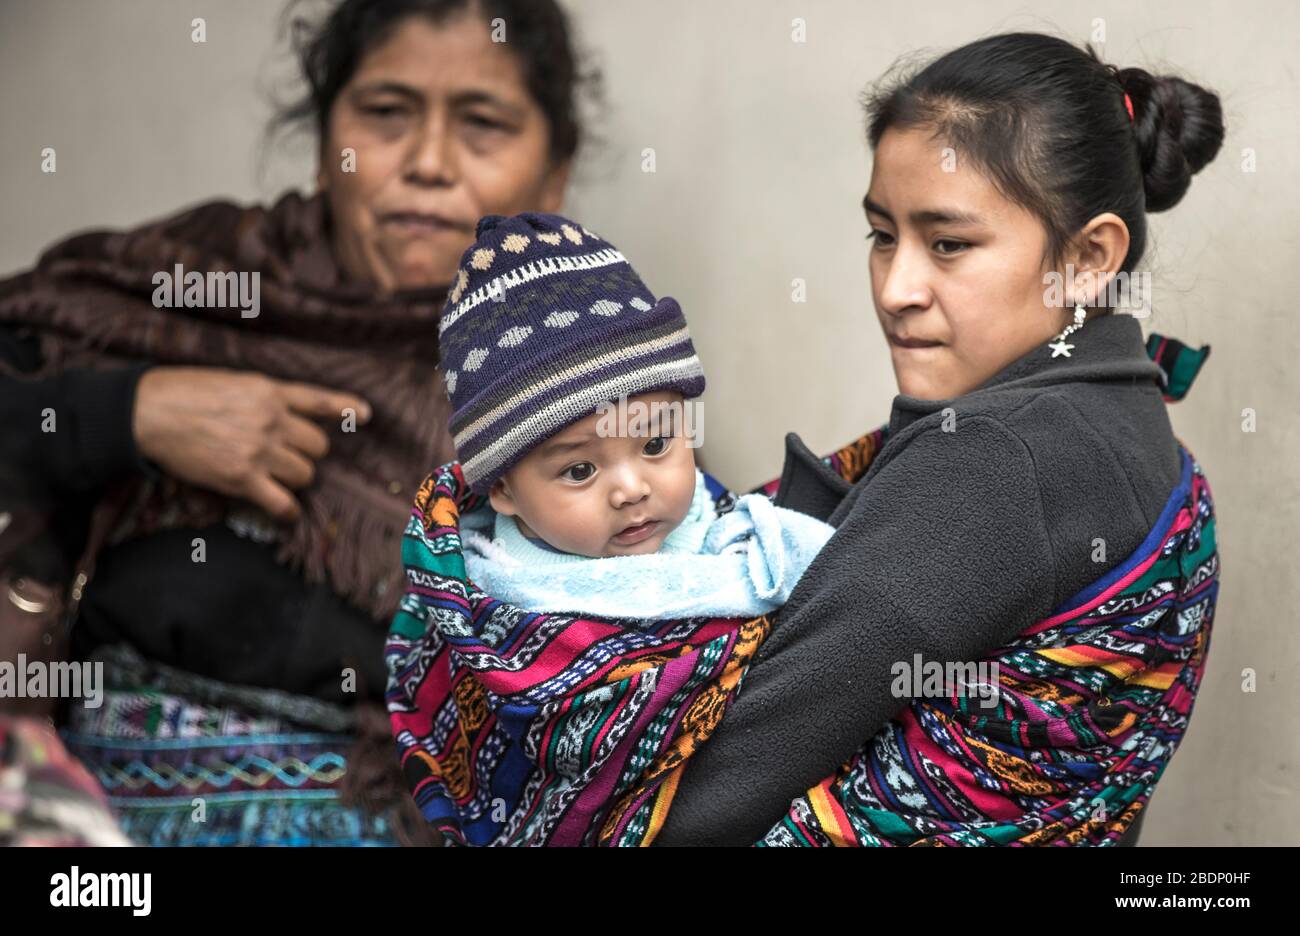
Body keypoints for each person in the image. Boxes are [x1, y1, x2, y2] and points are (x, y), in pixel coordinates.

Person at [0, 0, 596, 846]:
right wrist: (127, 414)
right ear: (325, 146)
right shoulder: (179, 295)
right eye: (385, 113)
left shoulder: (582, 401)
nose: (428, 163)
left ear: (554, 176)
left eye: (483, 124)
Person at [652, 31, 1224, 846]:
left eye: (948, 244)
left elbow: (713, 784)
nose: (896, 288)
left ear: (1089, 257)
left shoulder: (998, 460)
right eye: (882, 235)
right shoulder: (1126, 416)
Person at [443, 212, 836, 620]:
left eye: (654, 444)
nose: (631, 491)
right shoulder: (491, 603)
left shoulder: (730, 531)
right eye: (579, 471)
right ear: (503, 489)